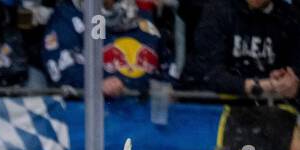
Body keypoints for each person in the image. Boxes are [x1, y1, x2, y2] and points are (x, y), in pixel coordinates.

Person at [43, 0, 172, 98]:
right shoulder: (68, 15)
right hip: (90, 117)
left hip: (144, 119)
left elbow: (165, 66)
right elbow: (59, 66)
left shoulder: (143, 16)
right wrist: (98, 84)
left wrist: (168, 88)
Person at [183, 0, 299, 100]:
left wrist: (290, 82)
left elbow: (294, 70)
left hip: (271, 111)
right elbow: (209, 74)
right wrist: (260, 86)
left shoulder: (288, 17)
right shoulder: (217, 11)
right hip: (215, 108)